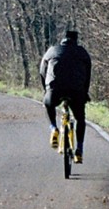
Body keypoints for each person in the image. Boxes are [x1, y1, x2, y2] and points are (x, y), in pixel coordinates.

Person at [39, 29, 92, 163]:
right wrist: (85, 92)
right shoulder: (82, 52)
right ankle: (79, 150)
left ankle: (53, 128)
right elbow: (87, 75)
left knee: (48, 104)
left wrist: (46, 90)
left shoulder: (52, 50)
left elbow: (42, 71)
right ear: (76, 41)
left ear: (63, 40)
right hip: (76, 90)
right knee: (80, 119)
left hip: (55, 89)